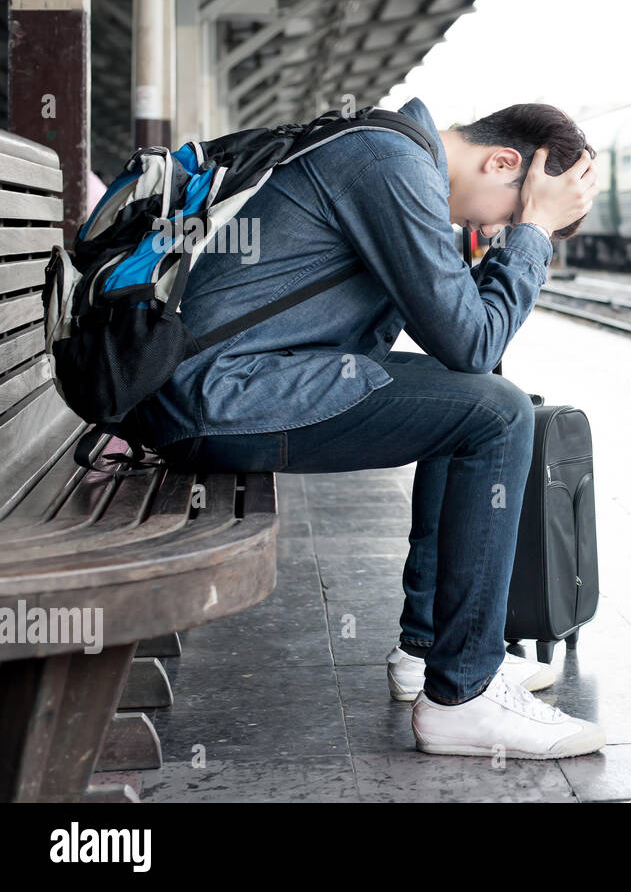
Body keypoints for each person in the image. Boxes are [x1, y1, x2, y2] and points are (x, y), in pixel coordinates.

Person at [132, 96, 606, 760]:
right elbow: (472, 340)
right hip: (221, 397)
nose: (493, 230)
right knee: (494, 411)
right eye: (508, 212)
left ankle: (431, 650)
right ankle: (461, 696)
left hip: (230, 387)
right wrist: (533, 234)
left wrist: (526, 228)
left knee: (477, 402)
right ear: (503, 161)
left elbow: (463, 342)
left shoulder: (394, 158)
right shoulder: (390, 164)